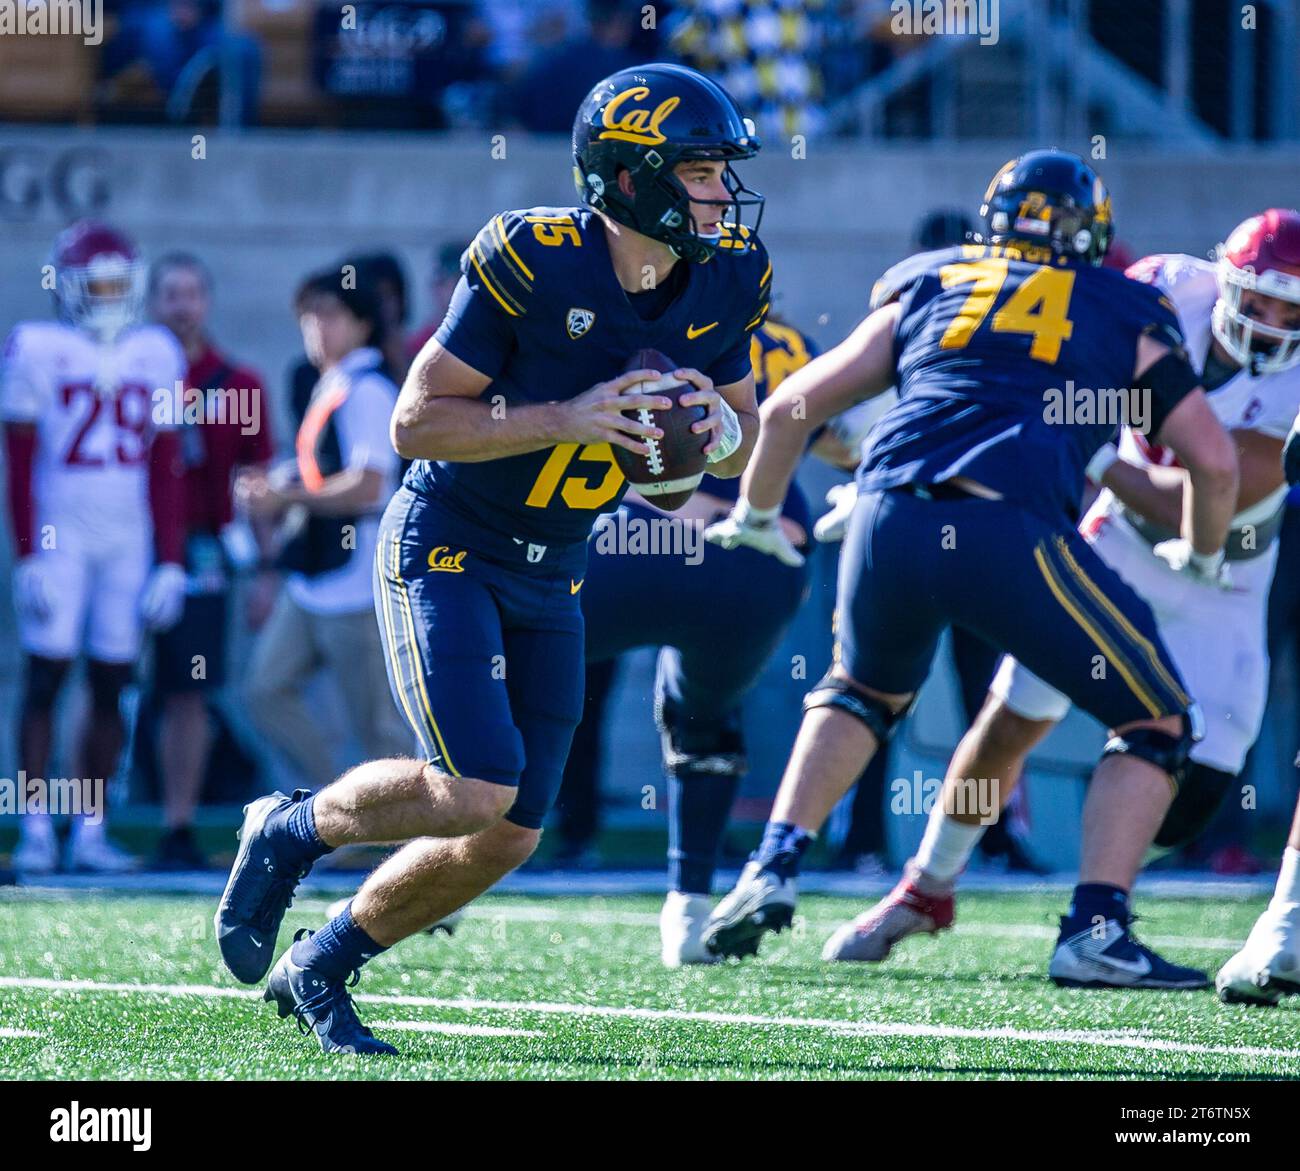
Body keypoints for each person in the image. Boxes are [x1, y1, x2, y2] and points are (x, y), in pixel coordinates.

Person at [214, 63, 772, 1055]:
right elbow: (416, 422)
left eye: (722, 171)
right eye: (699, 171)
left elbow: (712, 448)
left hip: (556, 561)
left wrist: (692, 440)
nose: (722, 192)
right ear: (632, 176)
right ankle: (290, 829)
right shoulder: (534, 256)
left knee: (511, 827)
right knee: (473, 784)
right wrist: (569, 416)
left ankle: (324, 962)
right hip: (450, 543)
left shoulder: (728, 277)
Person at [702, 149, 1239, 990]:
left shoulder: (931, 279)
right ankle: (1096, 926)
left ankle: (771, 864)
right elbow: (1213, 465)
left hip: (886, 515)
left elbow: (788, 406)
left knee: (859, 691)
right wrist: (1203, 556)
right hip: (1006, 524)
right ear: (1090, 233)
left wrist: (757, 516)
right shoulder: (1120, 302)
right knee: (1157, 722)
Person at [836, 211, 1300, 980]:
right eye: (1260, 299)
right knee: (1014, 713)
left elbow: (1196, 492)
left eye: (1293, 310)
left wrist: (1089, 456)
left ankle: (1103, 900)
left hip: (1226, 574)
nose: (1273, 323)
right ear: (1224, 279)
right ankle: (926, 884)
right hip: (1116, 542)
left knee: (1192, 793)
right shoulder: (1163, 289)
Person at [564, 314, 818, 965]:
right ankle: (689, 910)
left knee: (505, 667)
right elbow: (850, 437)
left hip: (635, 537)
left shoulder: (623, 317)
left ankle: (428, 854)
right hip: (764, 559)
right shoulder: (789, 343)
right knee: (704, 717)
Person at [3, 220, 187, 874]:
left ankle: (89, 827)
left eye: (118, 284)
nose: (108, 296)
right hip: (60, 530)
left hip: (128, 535)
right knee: (46, 675)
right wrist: (28, 551)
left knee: (112, 680)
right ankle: (33, 827)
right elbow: (18, 461)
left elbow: (168, 464)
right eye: (97, 284)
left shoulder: (157, 350)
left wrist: (170, 558)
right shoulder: (36, 345)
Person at [239, 270, 408, 791]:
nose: (316, 327)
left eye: (331, 314)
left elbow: (370, 486)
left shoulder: (370, 388)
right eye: (309, 315)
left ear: (361, 324)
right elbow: (330, 470)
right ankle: (335, 806)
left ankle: (414, 834)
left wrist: (284, 495)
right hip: (316, 578)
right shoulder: (334, 384)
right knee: (265, 690)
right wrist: (284, 479)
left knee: (380, 728)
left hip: (355, 578)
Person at [144, 252, 276, 870]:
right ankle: (75, 825)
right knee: (105, 680)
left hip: (202, 550)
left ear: (208, 301)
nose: (182, 306)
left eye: (192, 293)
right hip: (125, 542)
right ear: (152, 303)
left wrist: (265, 569)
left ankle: (178, 823)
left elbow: (258, 481)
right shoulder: (131, 375)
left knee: (190, 691)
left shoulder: (238, 382)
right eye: (171, 294)